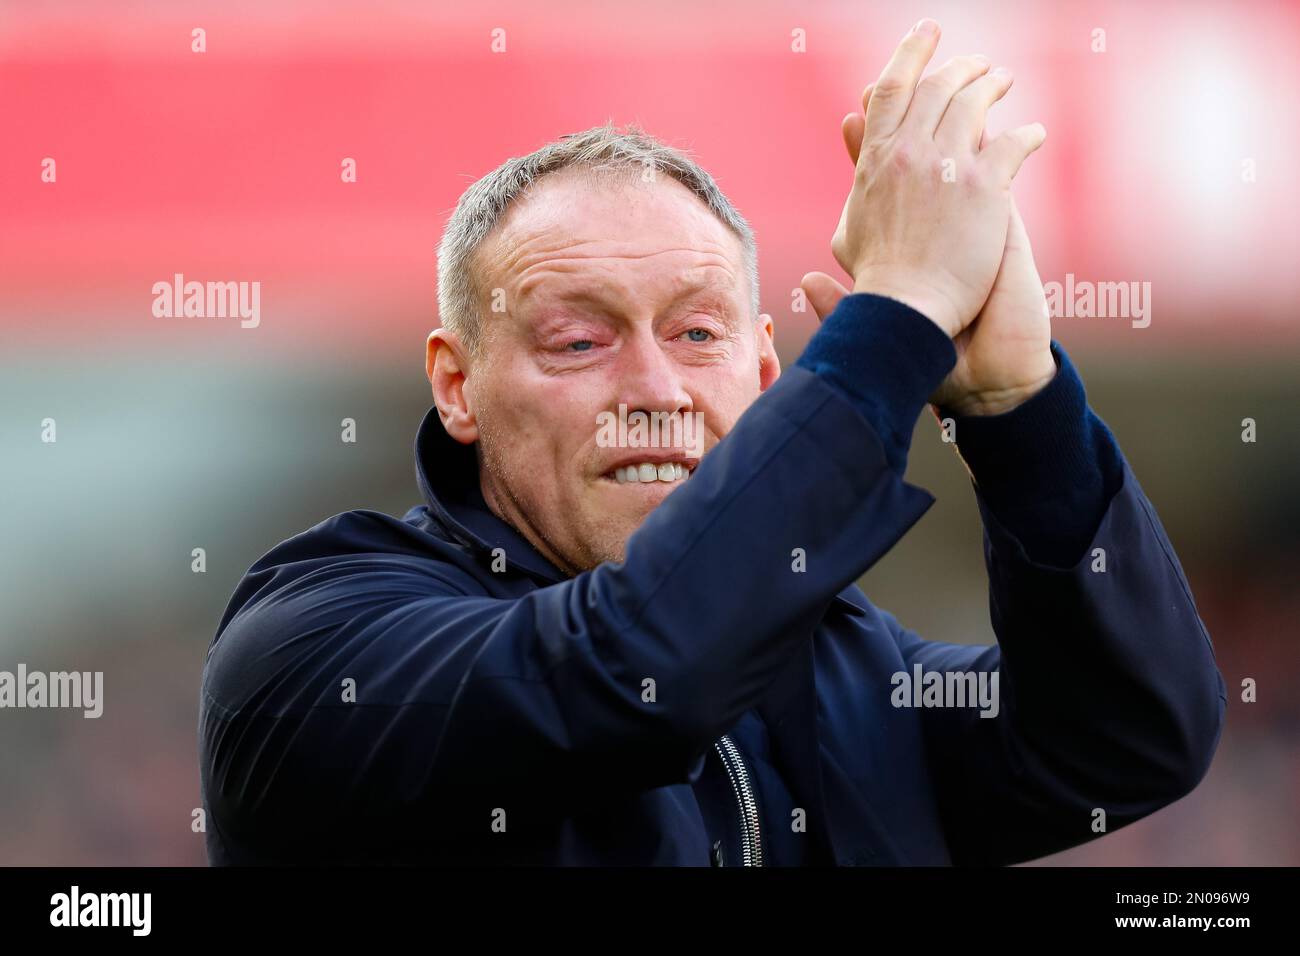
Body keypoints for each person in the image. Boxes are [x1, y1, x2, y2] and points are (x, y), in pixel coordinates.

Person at [199, 18, 1225, 865]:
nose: (656, 389)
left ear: (766, 373)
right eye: (579, 340)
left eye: (697, 334)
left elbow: (1129, 738)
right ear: (456, 386)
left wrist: (1018, 412)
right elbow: (638, 672)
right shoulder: (314, 641)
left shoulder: (844, 668)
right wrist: (900, 313)